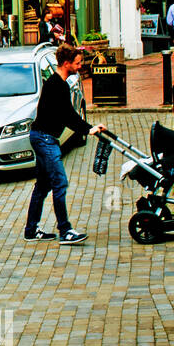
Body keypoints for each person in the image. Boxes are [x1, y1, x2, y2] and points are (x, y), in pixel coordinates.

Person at [22, 45, 107, 246]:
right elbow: (68, 115)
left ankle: (31, 230)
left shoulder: (57, 82)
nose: (80, 66)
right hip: (45, 139)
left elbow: (67, 114)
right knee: (59, 182)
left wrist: (89, 128)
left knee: (43, 186)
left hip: (42, 137)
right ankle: (65, 230)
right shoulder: (57, 85)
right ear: (66, 63)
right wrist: (89, 129)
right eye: (77, 63)